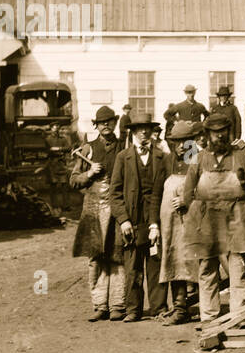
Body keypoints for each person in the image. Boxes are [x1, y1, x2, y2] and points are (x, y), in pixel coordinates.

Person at [183, 112, 245, 323]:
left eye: (223, 132)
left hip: (237, 215)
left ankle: (240, 315)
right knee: (207, 267)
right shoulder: (198, 158)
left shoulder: (242, 156)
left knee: (238, 267)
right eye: (215, 133)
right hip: (207, 217)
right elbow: (189, 192)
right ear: (208, 135)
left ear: (229, 132)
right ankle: (209, 316)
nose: (220, 137)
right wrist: (191, 218)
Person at [111, 111, 170, 323]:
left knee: (155, 264)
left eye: (147, 129)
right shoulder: (123, 157)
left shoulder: (163, 157)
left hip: (155, 219)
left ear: (152, 132)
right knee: (132, 267)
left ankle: (159, 308)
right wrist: (123, 220)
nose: (143, 133)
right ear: (133, 132)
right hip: (132, 221)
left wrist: (157, 223)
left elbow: (168, 188)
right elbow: (114, 193)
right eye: (139, 129)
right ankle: (133, 309)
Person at [70, 105, 126, 321]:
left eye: (109, 122)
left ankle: (117, 305)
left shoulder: (124, 147)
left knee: (117, 256)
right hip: (93, 209)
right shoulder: (88, 149)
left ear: (114, 123)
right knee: (95, 258)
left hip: (117, 208)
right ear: (97, 125)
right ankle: (100, 305)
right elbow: (73, 180)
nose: (105, 126)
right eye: (101, 122)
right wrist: (89, 173)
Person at [159, 120, 202, 323]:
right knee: (174, 260)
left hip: (194, 219)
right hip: (171, 223)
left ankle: (205, 306)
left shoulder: (200, 159)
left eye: (185, 141)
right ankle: (180, 308)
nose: (181, 146)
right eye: (176, 142)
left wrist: (187, 199)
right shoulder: (167, 161)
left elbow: (208, 188)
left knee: (196, 260)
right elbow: (156, 191)